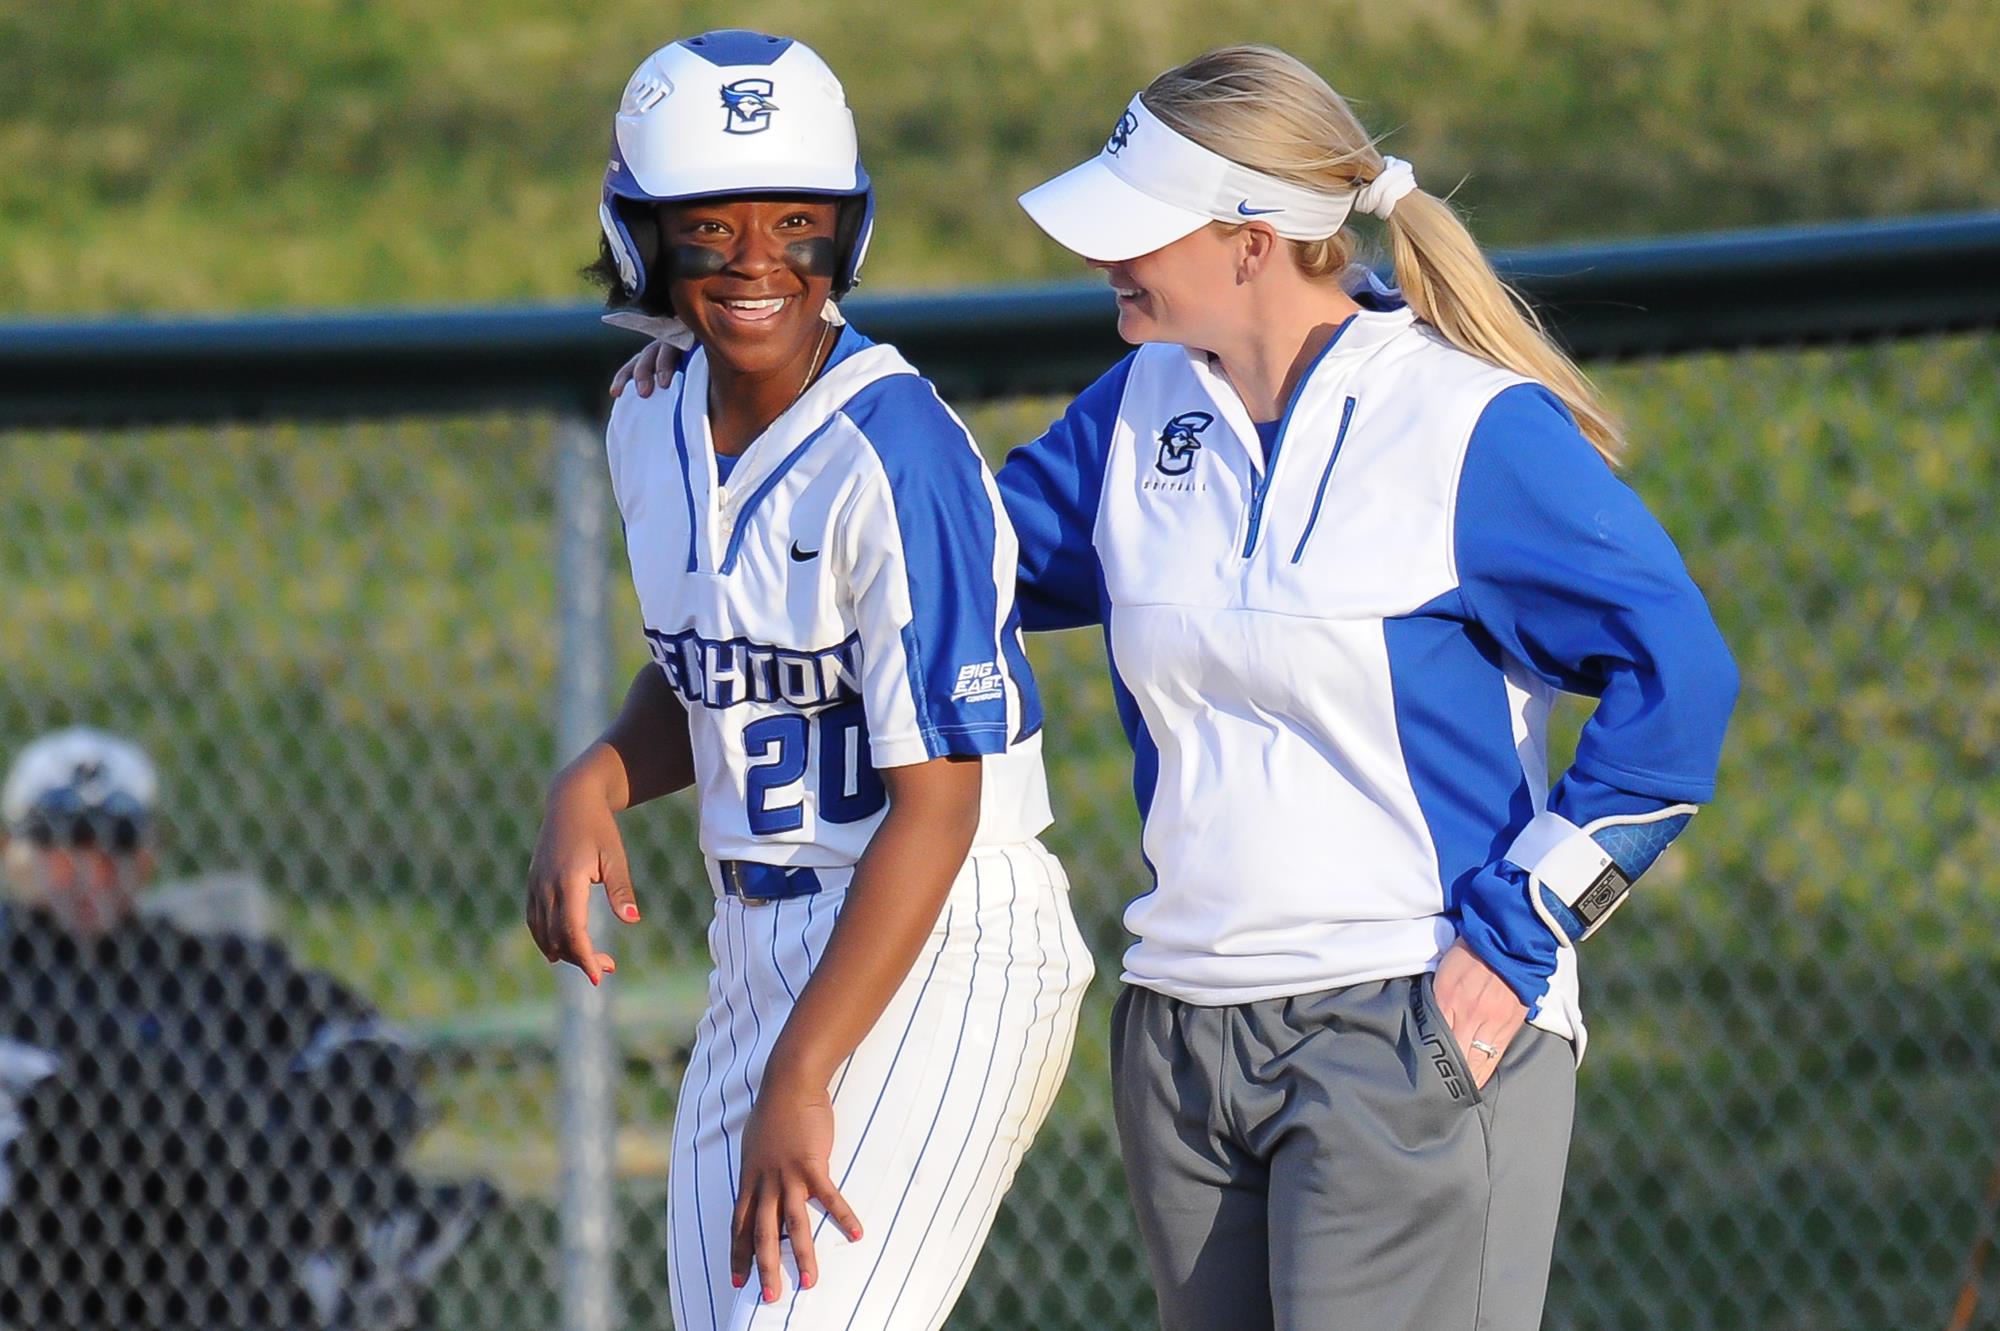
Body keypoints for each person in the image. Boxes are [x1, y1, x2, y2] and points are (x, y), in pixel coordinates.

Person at [614, 42, 1738, 1331]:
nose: (1105, 262)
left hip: (1408, 1022)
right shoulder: (1140, 407)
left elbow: (1679, 685)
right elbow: (923, 566)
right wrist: (729, 400)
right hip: (1186, 1040)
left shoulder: (1462, 426)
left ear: (1252, 241)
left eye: (1136, 232)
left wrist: (1511, 941)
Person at [523, 30, 1091, 1331]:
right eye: (710, 225)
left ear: (851, 229)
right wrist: (599, 771)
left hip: (934, 940)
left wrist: (804, 1067)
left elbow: (940, 803)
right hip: (760, 946)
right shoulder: (647, 410)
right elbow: (713, 665)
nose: (760, 259)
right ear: (643, 237)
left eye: (799, 221)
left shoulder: (896, 451)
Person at [0, 727, 491, 1331]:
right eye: (57, 848)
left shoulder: (202, 966)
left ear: (148, 857)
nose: (85, 875)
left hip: (231, 1237)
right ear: (8, 850)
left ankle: (349, 1249)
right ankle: (353, 1252)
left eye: (110, 850)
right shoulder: (10, 969)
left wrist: (296, 1127)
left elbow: (364, 1041)